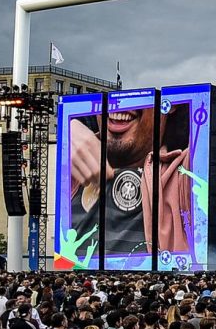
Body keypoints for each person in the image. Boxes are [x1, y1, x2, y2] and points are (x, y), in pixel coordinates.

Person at [65, 101, 193, 259]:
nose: (120, 105)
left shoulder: (185, 173)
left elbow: (204, 123)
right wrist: (68, 126)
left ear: (171, 106)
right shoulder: (68, 167)